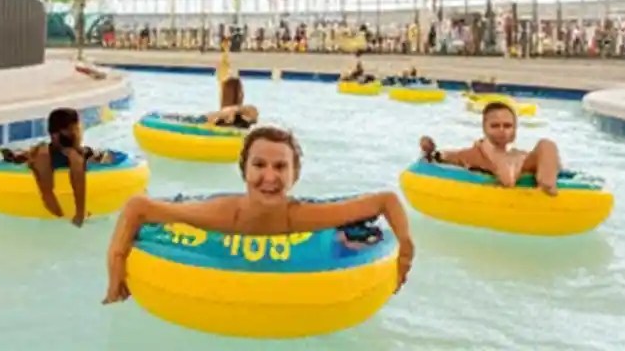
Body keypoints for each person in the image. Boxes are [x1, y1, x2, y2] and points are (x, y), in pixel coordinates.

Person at [102, 126, 414, 304]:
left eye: (280, 167)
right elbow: (137, 207)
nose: (269, 177)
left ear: (294, 175)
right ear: (244, 171)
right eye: (259, 165)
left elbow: (386, 201)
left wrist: (405, 251)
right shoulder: (223, 215)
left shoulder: (303, 217)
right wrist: (116, 274)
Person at [419, 101, 562, 196]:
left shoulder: (519, 154)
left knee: (546, 144)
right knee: (505, 164)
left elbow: (552, 162)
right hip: (496, 175)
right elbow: (442, 156)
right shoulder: (473, 154)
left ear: (515, 129)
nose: (502, 130)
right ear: (484, 128)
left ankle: (547, 186)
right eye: (495, 126)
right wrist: (429, 148)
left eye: (507, 126)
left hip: (521, 173)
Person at [0, 107, 111, 226]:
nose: (80, 132)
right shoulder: (44, 155)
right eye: (78, 128)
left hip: (64, 155)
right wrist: (64, 219)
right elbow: (47, 194)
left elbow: (102, 160)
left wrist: (79, 214)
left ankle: (18, 156)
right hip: (47, 156)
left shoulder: (82, 153)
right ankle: (15, 156)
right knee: (32, 155)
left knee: (89, 156)